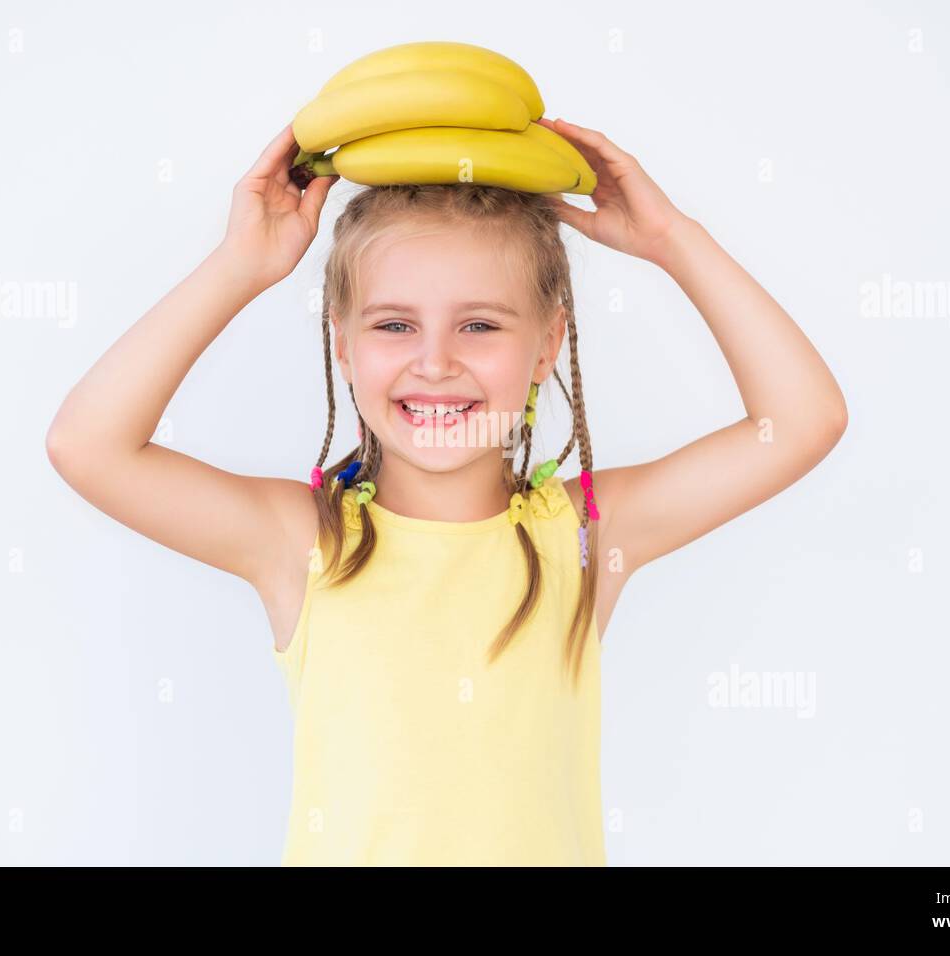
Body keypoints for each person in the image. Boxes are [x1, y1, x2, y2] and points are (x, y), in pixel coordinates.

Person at [45, 118, 848, 865]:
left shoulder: (584, 534)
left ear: (548, 345)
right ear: (343, 345)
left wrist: (675, 240)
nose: (435, 362)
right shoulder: (304, 543)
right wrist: (238, 267)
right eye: (394, 325)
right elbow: (88, 446)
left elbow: (802, 419)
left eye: (481, 325)